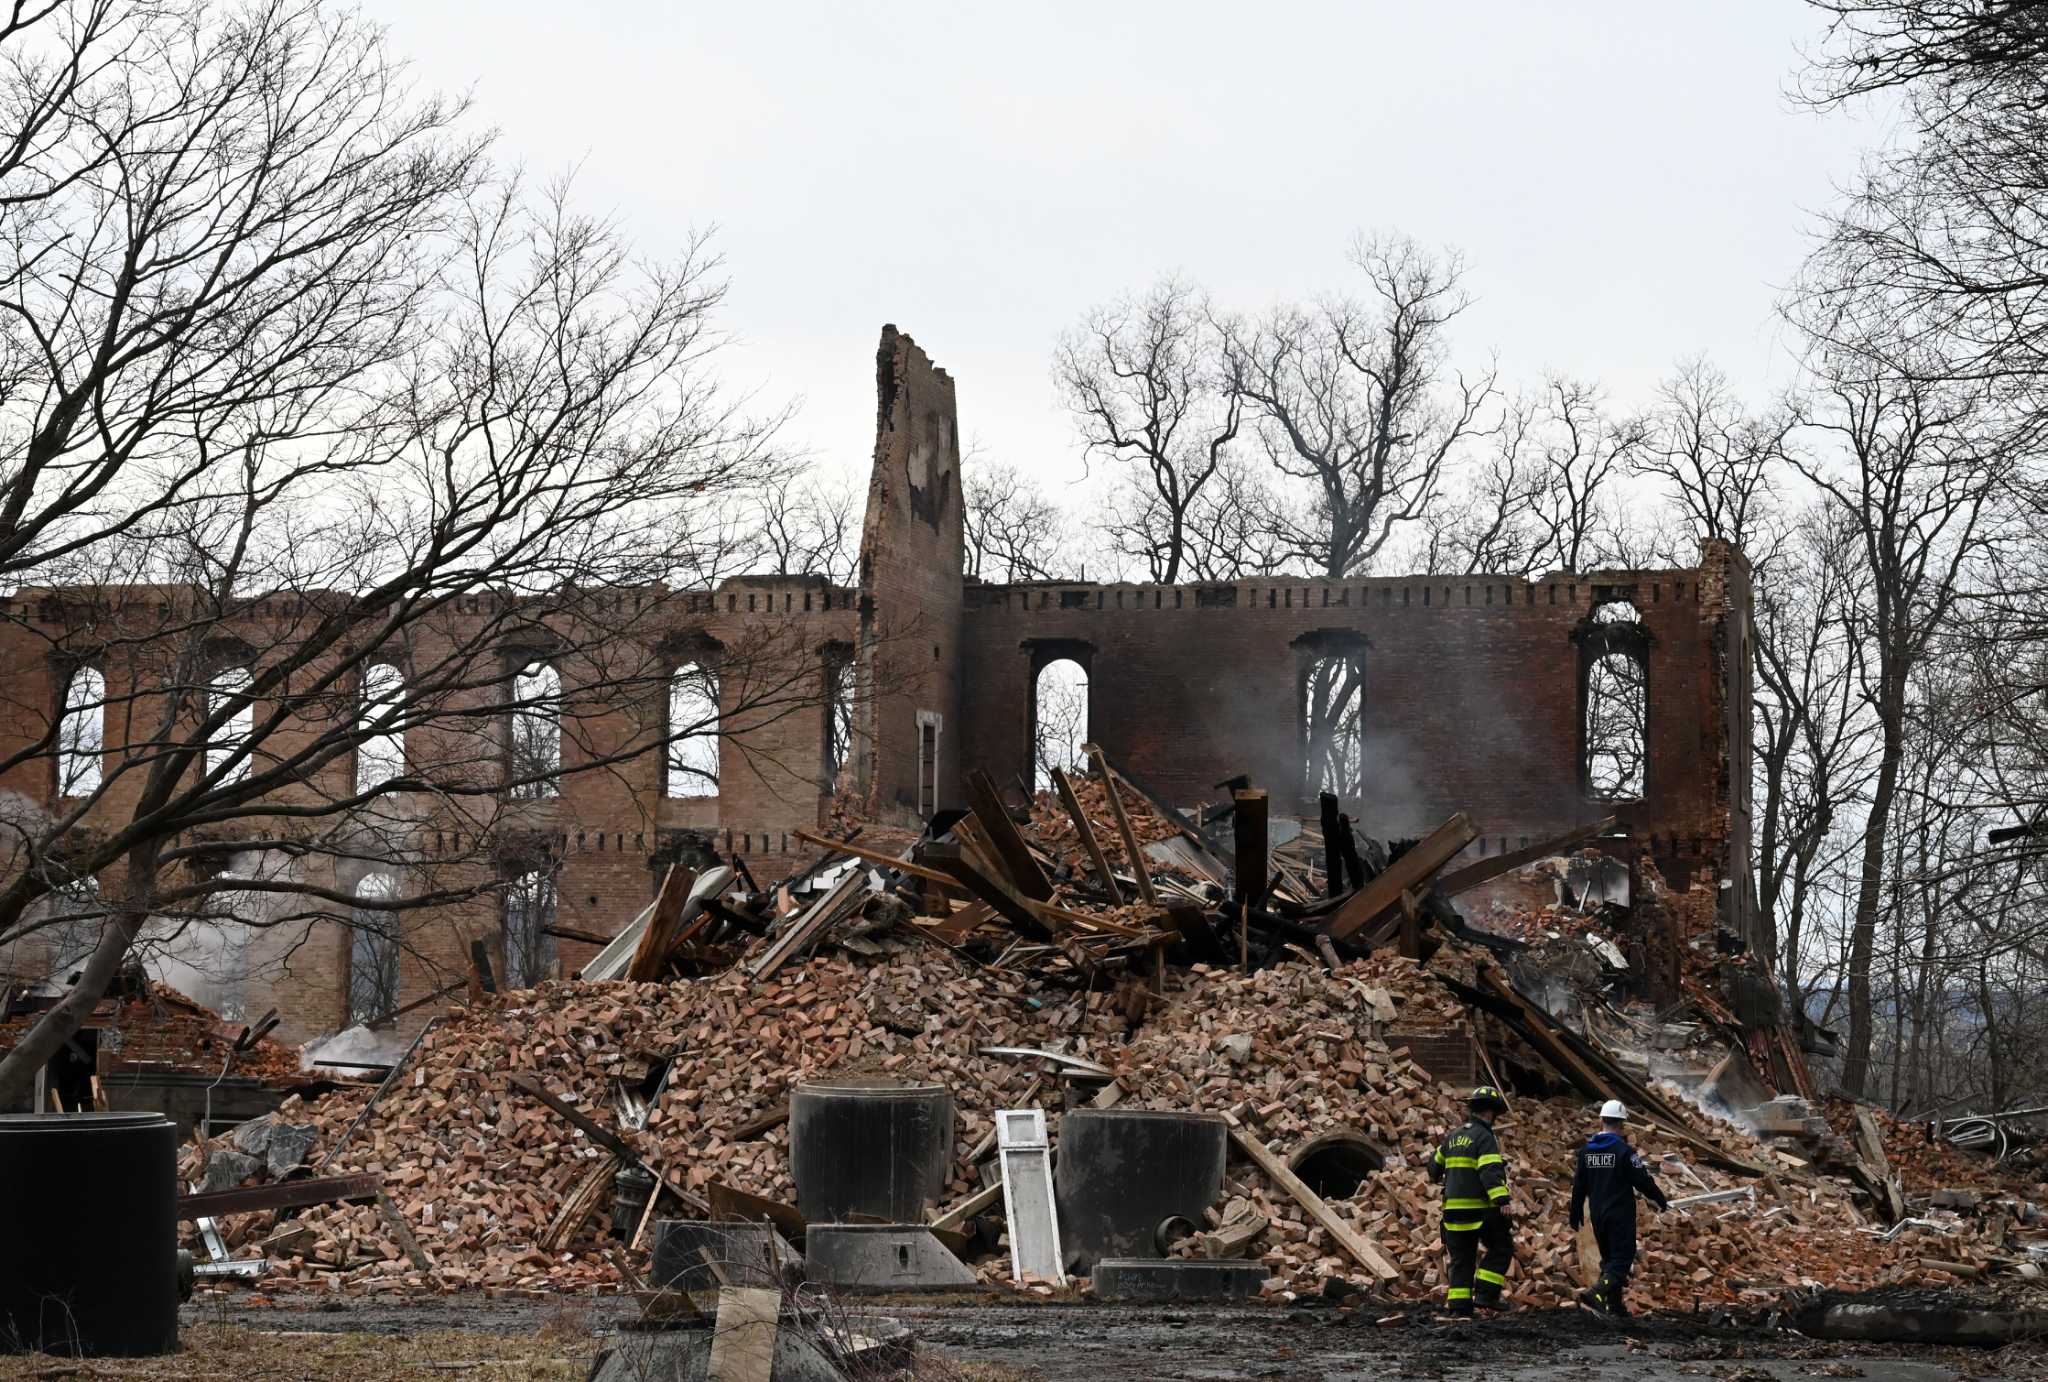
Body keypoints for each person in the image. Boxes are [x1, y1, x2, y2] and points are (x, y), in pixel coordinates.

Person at [1570, 1099, 1670, 1317]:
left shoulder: (1586, 1152)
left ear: (1602, 1120)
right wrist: (1660, 1198)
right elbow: (1642, 1180)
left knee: (1609, 1259)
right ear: (1622, 1124)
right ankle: (1595, 1293)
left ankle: (1614, 1307)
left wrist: (1575, 1211)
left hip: (1598, 1214)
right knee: (1622, 1259)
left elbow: (1578, 1184)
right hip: (1619, 1214)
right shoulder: (1624, 1151)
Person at [1427, 1085, 1514, 1316]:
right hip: (1478, 1211)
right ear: (1491, 1113)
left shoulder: (1452, 1136)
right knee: (1502, 1248)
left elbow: (1433, 1168)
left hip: (1452, 1214)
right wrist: (1502, 1200)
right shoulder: (1484, 1137)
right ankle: (1485, 1295)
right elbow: (1489, 1172)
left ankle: (1459, 1307)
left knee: (1461, 1259)